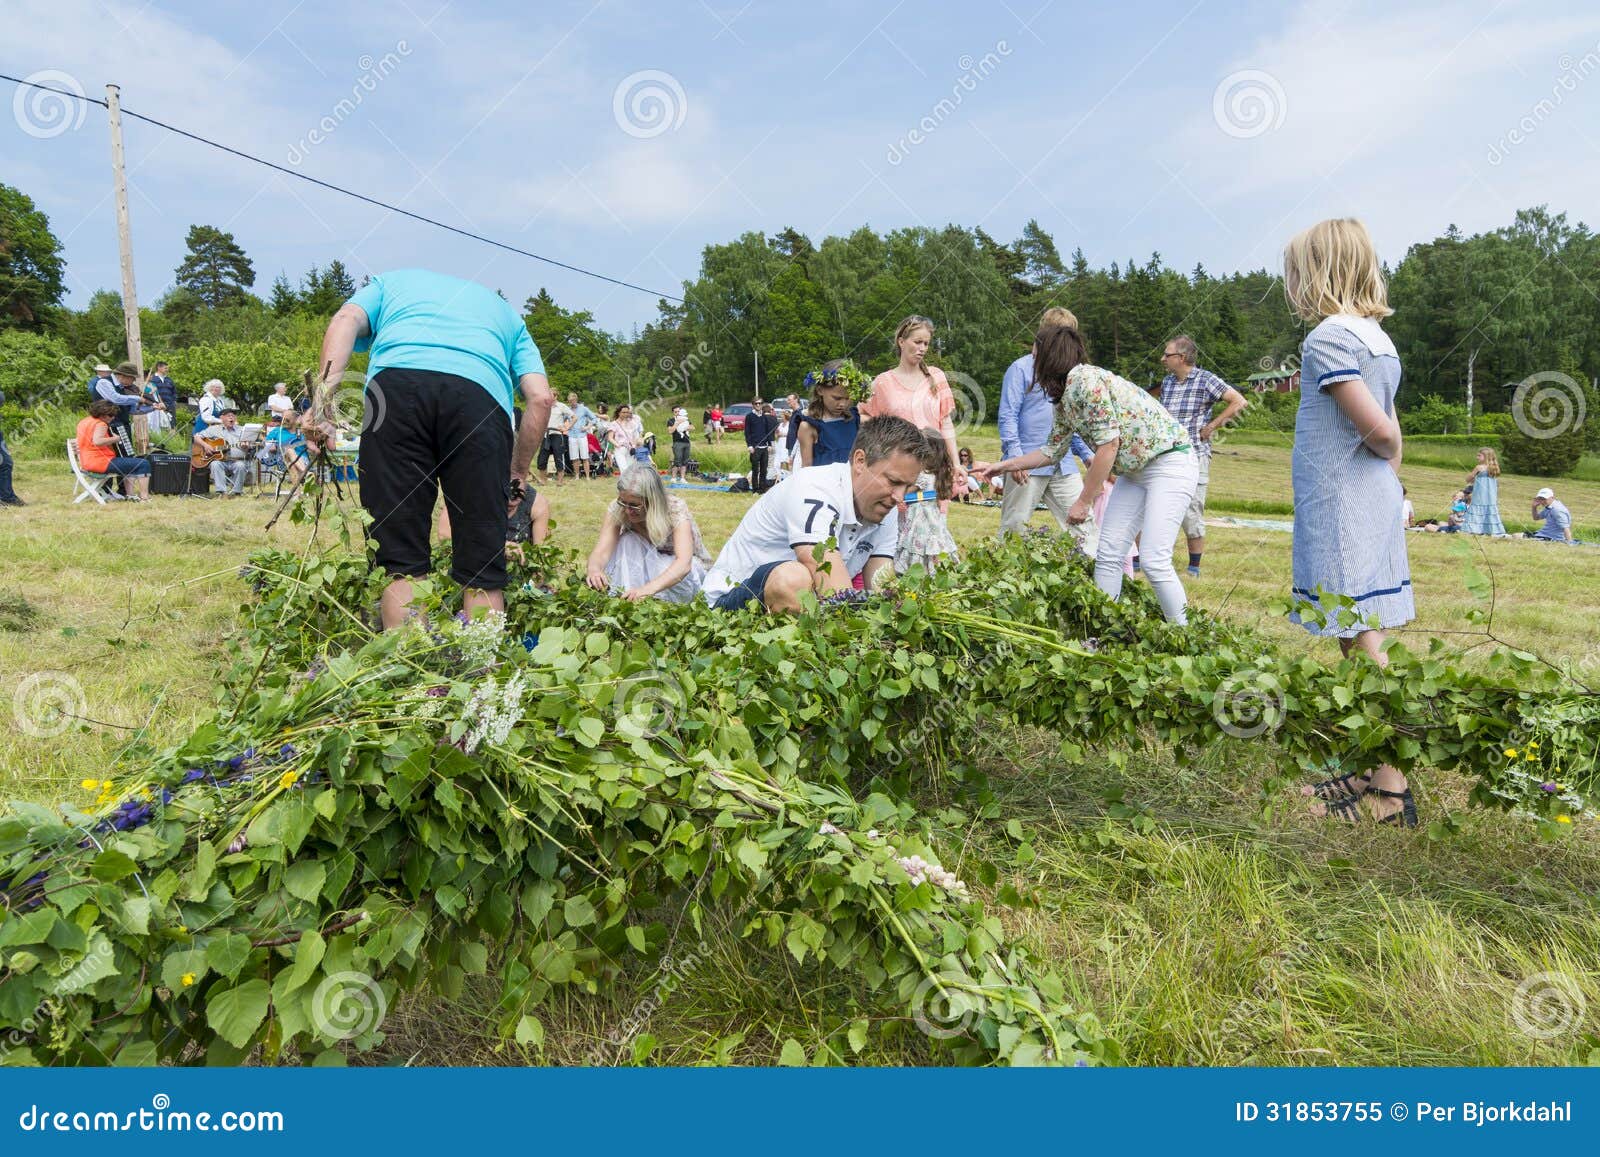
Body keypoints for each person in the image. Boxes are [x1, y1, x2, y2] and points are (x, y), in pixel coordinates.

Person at [314, 268, 554, 629]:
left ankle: (408, 670)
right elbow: (540, 400)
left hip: (394, 395)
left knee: (400, 559)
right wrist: (516, 475)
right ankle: (483, 674)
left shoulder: (388, 284)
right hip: (481, 403)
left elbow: (346, 319)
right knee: (483, 560)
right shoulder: (505, 313)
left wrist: (321, 407)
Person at [1281, 217, 1416, 827]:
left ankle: (1390, 789)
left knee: (1362, 643)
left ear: (1317, 271)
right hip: (1368, 497)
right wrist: (1391, 455)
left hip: (1343, 506)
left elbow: (1380, 428)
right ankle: (1368, 767)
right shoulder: (1376, 336)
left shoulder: (1329, 339)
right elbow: (1393, 427)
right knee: (1355, 632)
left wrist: (1386, 447)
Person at [974, 325, 1198, 623]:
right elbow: (1050, 451)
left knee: (1155, 560)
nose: (1032, 356)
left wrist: (1084, 500)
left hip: (1170, 463)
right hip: (1136, 471)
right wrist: (1004, 465)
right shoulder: (1065, 395)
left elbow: (1108, 445)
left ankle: (1182, 632)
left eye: (1036, 351)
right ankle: (1104, 632)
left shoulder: (1084, 381)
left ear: (1050, 356)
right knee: (1108, 553)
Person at [702, 415, 925, 612]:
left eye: (908, 487)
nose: (899, 497)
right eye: (893, 482)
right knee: (794, 578)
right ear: (860, 461)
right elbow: (833, 590)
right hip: (729, 601)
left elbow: (881, 586)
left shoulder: (886, 508)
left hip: (803, 609)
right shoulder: (815, 488)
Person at [998, 307, 1097, 547]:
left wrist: (1086, 454)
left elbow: (1068, 420)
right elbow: (1007, 416)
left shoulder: (1068, 374)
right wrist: (1015, 457)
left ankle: (1097, 575)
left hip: (1062, 464)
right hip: (1027, 462)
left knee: (1084, 523)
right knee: (1015, 528)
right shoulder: (1020, 369)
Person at [1158, 335, 1248, 576]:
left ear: (1182, 357)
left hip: (1194, 455)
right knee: (1155, 505)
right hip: (1165, 455)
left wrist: (1213, 426)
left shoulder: (1205, 379)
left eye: (1167, 355)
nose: (1163, 359)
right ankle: (1139, 562)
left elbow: (1238, 402)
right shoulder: (1167, 383)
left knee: (1191, 509)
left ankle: (1193, 568)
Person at [861, 315, 967, 502]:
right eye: (918, 342)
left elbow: (946, 422)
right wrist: (891, 432)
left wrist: (956, 463)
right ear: (901, 341)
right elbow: (863, 417)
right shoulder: (882, 382)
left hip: (933, 468)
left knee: (930, 526)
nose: (923, 349)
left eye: (926, 344)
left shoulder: (937, 376)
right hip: (897, 468)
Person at [585, 464, 712, 603]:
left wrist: (646, 590)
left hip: (677, 571)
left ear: (653, 500)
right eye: (623, 503)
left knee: (663, 567)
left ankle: (653, 600)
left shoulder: (675, 509)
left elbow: (683, 564)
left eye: (634, 505)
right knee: (628, 541)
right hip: (645, 562)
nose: (627, 510)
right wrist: (594, 569)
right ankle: (627, 599)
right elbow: (602, 550)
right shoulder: (618, 508)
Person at [896, 428, 959, 574]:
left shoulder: (922, 475)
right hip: (933, 515)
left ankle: (916, 569)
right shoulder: (938, 473)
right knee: (933, 539)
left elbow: (904, 494)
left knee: (917, 542)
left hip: (920, 516)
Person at [76, 399, 151, 500]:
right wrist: (115, 439)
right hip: (100, 462)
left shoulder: (84, 421)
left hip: (86, 461)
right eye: (111, 415)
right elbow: (97, 441)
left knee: (128, 463)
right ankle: (144, 497)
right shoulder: (101, 424)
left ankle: (130, 495)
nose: (113, 418)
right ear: (103, 414)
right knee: (143, 464)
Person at [797, 359, 864, 469]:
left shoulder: (855, 420)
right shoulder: (809, 427)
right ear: (820, 390)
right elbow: (806, 469)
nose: (842, 404)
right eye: (837, 398)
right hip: (824, 484)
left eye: (847, 398)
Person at [193, 407, 255, 496]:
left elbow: (251, 446)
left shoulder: (242, 430)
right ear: (222, 418)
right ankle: (222, 492)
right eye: (229, 416)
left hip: (237, 460)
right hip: (220, 460)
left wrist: (247, 446)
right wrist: (206, 445)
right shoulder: (214, 429)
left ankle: (236, 492)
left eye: (233, 416)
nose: (232, 418)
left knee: (240, 466)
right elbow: (196, 437)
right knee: (215, 464)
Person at [1460, 447, 1506, 535]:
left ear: (1486, 457)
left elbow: (1468, 479)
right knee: (1489, 510)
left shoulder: (1479, 467)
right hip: (1491, 496)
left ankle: (1474, 529)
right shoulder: (1494, 468)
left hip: (1480, 495)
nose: (1477, 457)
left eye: (1479, 455)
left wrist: (1471, 476)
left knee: (1477, 509)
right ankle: (1491, 530)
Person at [540, 393, 575, 485]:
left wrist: (567, 428)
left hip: (557, 434)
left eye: (551, 395)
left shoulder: (561, 406)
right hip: (546, 435)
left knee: (558, 458)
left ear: (555, 397)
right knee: (542, 459)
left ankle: (560, 481)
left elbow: (574, 417)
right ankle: (543, 480)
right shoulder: (545, 406)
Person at [744, 399, 777, 492]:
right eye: (756, 403)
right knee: (755, 470)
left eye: (760, 403)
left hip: (764, 447)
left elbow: (768, 431)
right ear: (753, 405)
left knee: (764, 470)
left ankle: (762, 489)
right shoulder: (749, 416)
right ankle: (755, 489)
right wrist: (749, 445)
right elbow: (747, 432)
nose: (758, 405)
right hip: (755, 447)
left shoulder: (764, 416)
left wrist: (770, 444)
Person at [607, 404, 644, 475]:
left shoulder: (631, 423)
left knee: (631, 469)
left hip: (631, 449)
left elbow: (634, 436)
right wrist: (617, 445)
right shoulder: (613, 424)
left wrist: (635, 445)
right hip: (620, 449)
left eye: (627, 412)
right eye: (623, 412)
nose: (625, 414)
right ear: (619, 413)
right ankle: (625, 485)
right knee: (623, 469)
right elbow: (610, 438)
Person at [567, 392, 597, 481]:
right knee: (574, 457)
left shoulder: (584, 409)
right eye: (569, 401)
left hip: (582, 435)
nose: (571, 403)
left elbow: (594, 418)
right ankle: (577, 476)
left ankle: (587, 476)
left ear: (576, 400)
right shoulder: (567, 410)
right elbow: (562, 420)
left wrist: (587, 427)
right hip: (571, 435)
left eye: (572, 401)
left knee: (584, 456)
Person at [144, 362, 177, 434]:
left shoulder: (169, 379)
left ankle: (172, 439)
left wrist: (174, 401)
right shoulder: (153, 380)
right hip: (154, 405)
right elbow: (145, 394)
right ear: (159, 367)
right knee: (156, 423)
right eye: (165, 368)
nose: (167, 369)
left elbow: (174, 391)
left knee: (171, 422)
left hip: (168, 404)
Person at [669, 406, 694, 483]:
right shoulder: (671, 420)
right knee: (677, 460)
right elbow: (670, 431)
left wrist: (686, 427)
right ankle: (673, 478)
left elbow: (693, 427)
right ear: (673, 412)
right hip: (677, 443)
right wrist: (677, 424)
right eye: (675, 412)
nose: (677, 413)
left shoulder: (685, 419)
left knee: (685, 461)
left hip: (687, 442)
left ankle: (682, 478)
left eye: (678, 411)